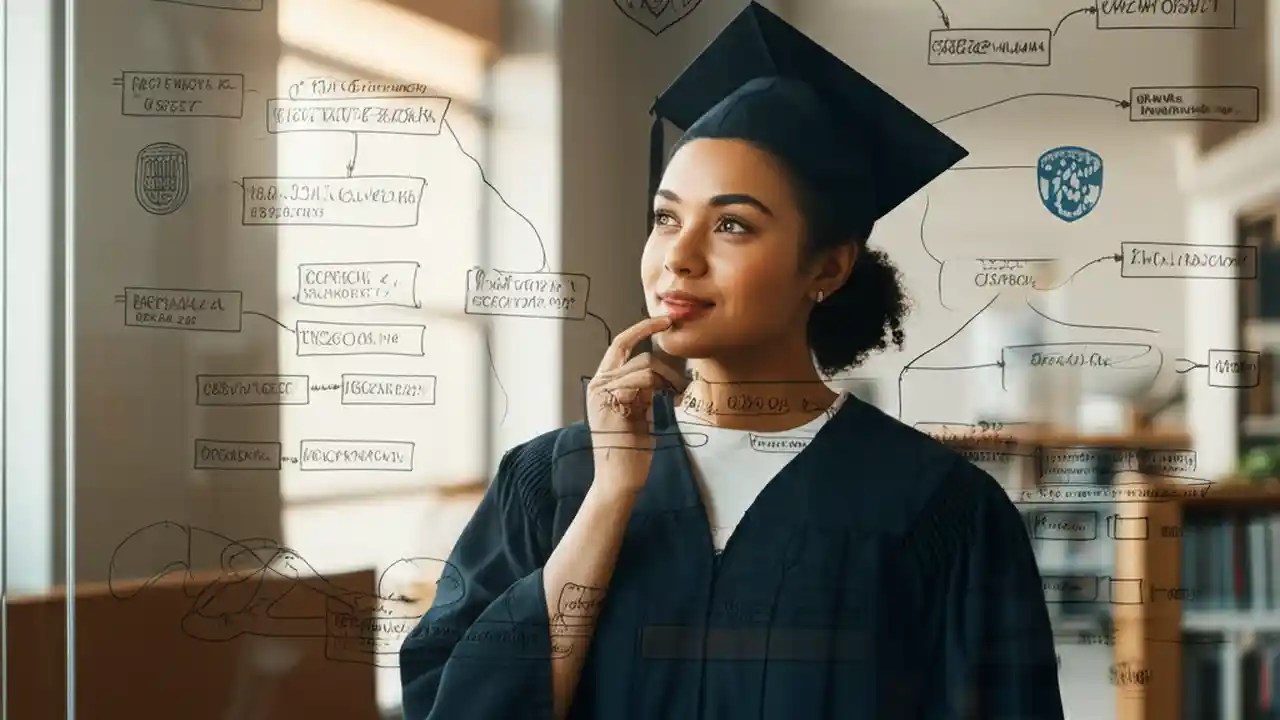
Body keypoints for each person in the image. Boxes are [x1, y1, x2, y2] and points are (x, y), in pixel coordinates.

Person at [399, 3, 1065, 718]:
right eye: (665, 217)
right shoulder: (550, 483)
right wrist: (611, 496)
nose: (678, 257)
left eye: (732, 225)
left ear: (830, 267)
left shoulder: (941, 512)